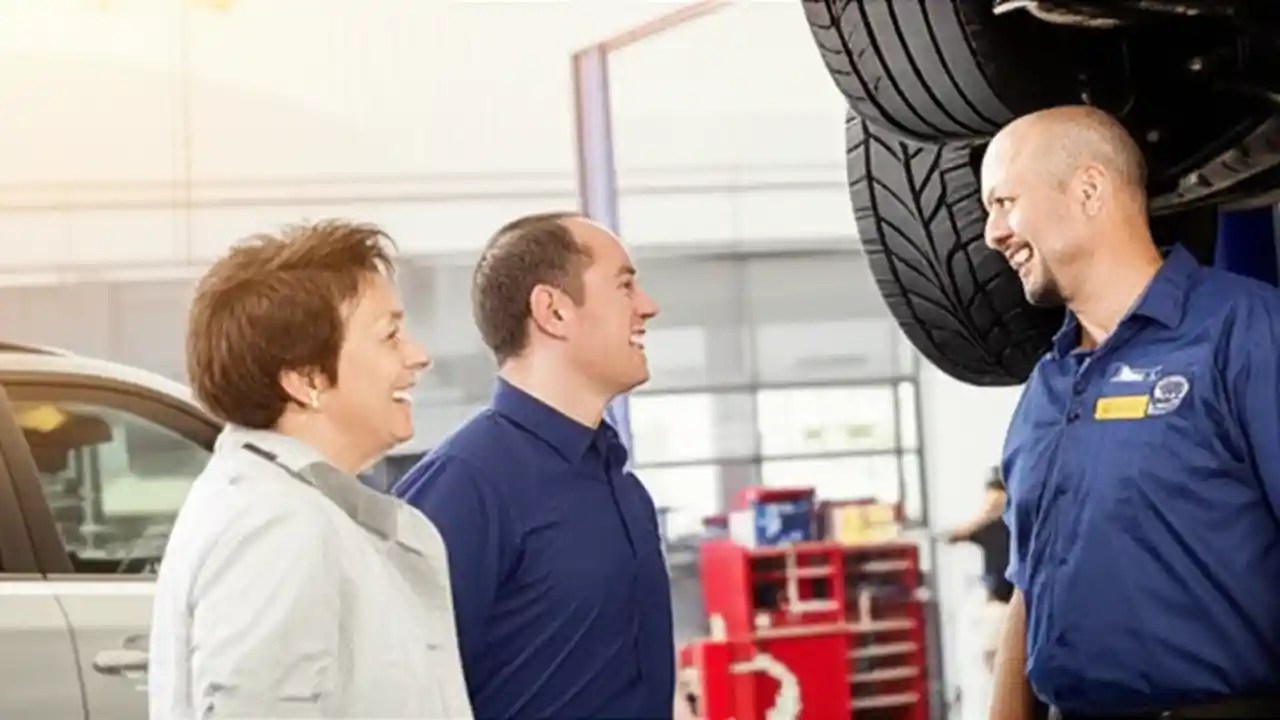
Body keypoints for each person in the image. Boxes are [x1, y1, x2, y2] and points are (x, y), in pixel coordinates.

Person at [982, 105, 1280, 720]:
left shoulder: (1245, 330)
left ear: (1089, 190)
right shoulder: (1048, 384)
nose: (993, 233)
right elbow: (1028, 583)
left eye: (1005, 201)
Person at [148, 220, 472, 719]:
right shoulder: (276, 525)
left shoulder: (288, 505)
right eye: (390, 336)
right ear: (307, 379)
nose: (418, 356)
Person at [394, 211, 675, 719]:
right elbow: (392, 690)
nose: (648, 307)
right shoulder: (465, 486)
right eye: (626, 286)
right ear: (553, 311)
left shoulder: (620, 486)